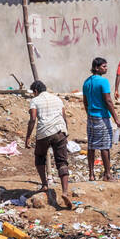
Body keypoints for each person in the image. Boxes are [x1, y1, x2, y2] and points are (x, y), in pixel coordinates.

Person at [24, 80, 72, 208]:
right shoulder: (57, 99)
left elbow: (33, 119)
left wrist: (28, 137)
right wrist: (65, 132)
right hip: (59, 131)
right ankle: (65, 192)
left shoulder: (35, 100)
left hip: (44, 133)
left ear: (35, 91)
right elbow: (64, 116)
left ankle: (45, 184)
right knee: (62, 162)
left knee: (40, 157)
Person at [82, 57, 119, 181]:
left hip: (91, 117)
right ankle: (107, 174)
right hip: (102, 117)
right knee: (104, 146)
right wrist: (116, 119)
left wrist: (89, 113)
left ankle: (91, 174)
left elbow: (85, 102)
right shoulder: (103, 82)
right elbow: (108, 100)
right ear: (96, 68)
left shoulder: (87, 82)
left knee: (91, 146)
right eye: (104, 66)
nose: (106, 68)